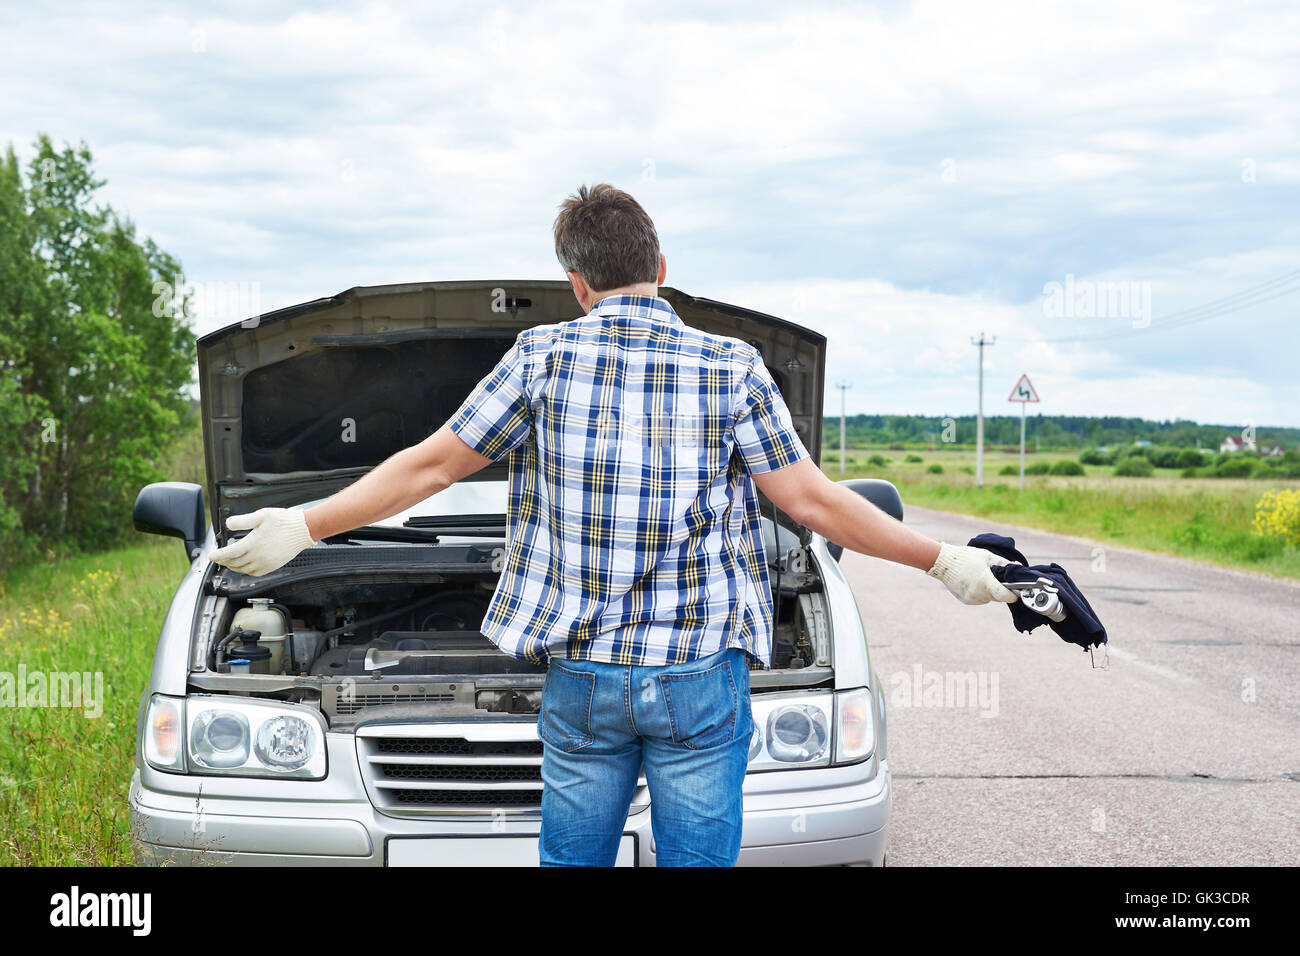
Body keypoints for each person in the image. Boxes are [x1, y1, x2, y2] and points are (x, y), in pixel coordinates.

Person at [210, 183, 1015, 866]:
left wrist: (308, 523)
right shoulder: (731, 366)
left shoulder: (539, 358)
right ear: (661, 270)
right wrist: (941, 558)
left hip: (587, 679)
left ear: (578, 284)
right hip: (700, 678)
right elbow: (811, 502)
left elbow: (430, 467)